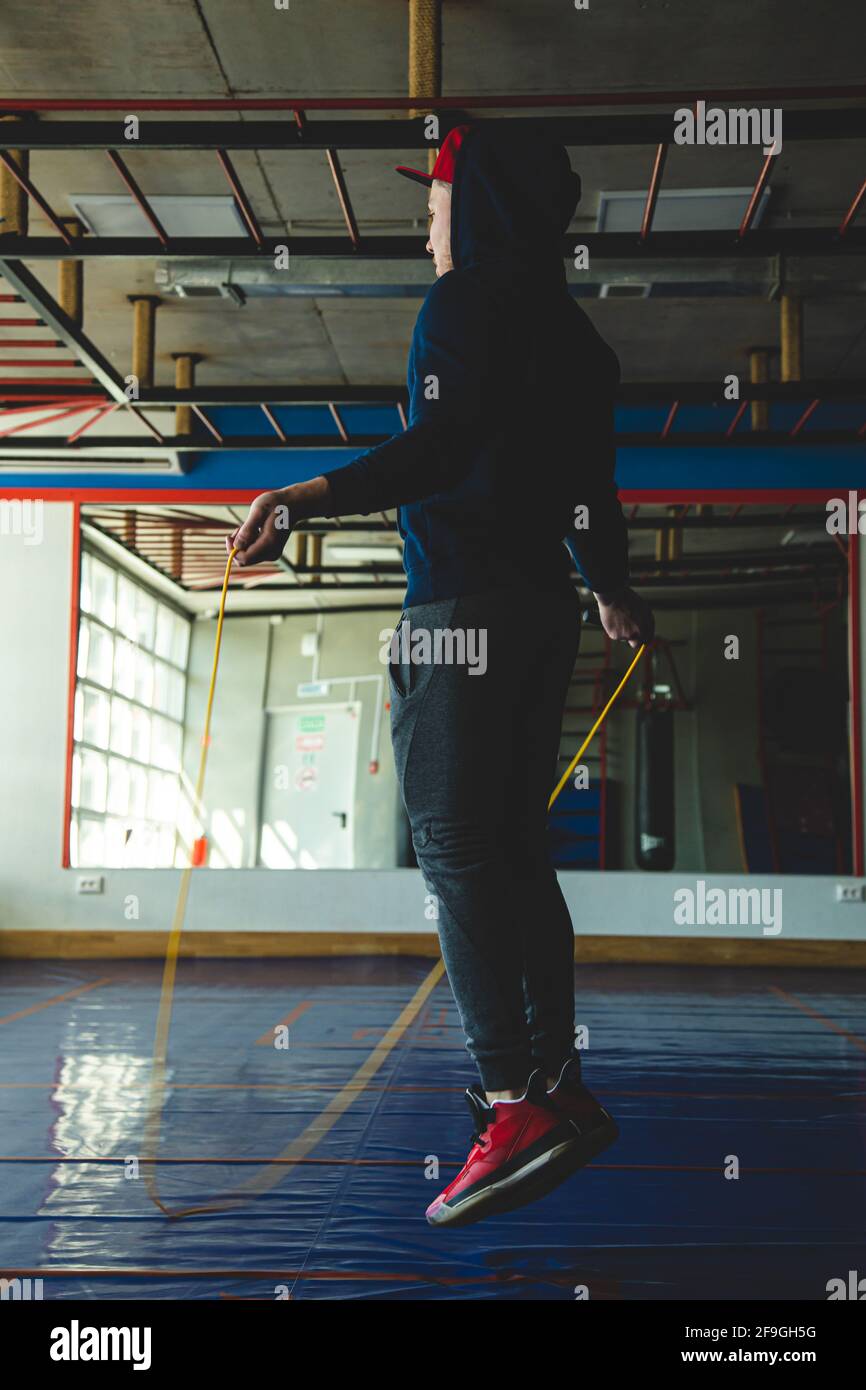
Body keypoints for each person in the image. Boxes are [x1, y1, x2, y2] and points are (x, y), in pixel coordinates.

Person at [227, 122, 654, 1228]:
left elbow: (439, 449)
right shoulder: (577, 343)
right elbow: (586, 497)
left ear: (483, 208)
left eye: (439, 197)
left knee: (458, 846)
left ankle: (512, 1100)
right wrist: (609, 592)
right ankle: (556, 1078)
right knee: (512, 845)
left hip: (456, 610)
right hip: (542, 616)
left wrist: (299, 496)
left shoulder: (463, 306)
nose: (426, 218)